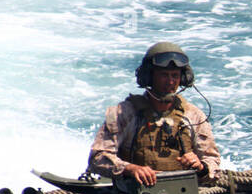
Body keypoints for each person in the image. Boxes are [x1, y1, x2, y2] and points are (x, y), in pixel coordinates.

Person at [88, 42, 220, 186]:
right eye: (164, 75)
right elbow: (98, 158)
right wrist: (131, 169)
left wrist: (200, 167)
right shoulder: (124, 114)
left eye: (175, 76)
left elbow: (212, 162)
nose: (170, 82)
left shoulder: (193, 116)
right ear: (149, 77)